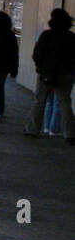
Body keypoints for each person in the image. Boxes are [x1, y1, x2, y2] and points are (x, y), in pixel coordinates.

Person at [24, 9, 75, 142]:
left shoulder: (47, 35)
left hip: (46, 73)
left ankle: (32, 130)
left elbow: (37, 54)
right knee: (65, 104)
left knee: (39, 101)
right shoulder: (72, 37)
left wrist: (40, 67)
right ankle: (69, 134)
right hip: (65, 75)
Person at [0, 11, 19, 119]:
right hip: (4, 66)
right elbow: (14, 53)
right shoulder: (10, 34)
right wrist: (14, 68)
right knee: (0, 88)